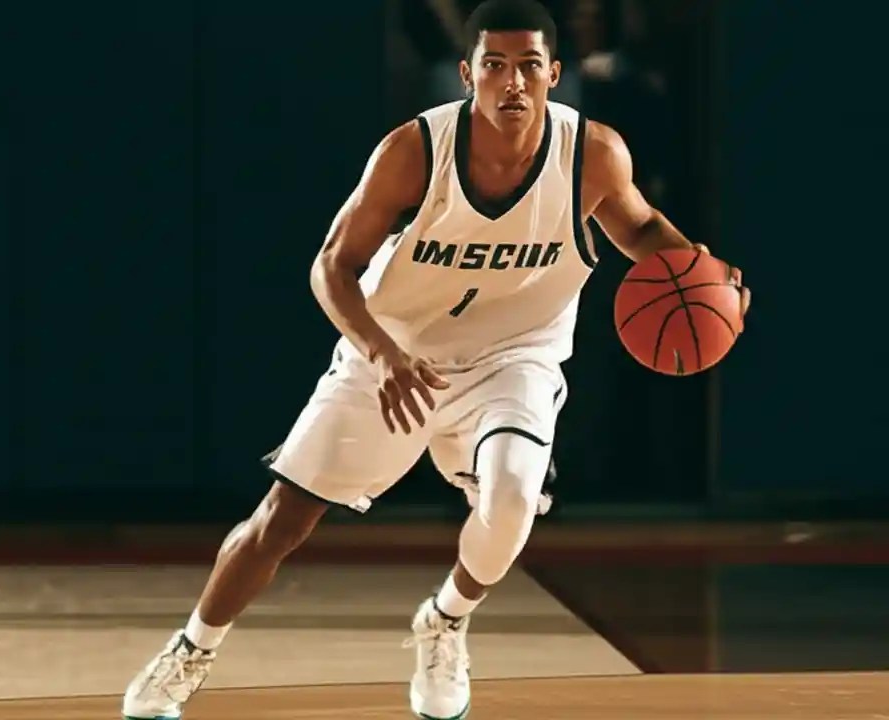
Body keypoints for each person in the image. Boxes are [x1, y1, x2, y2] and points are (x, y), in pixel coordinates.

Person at [121, 0, 749, 717]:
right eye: (494, 66)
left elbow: (642, 229)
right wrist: (381, 353)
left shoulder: (593, 154)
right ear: (467, 74)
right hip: (395, 351)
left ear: (554, 73)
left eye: (528, 67)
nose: (512, 83)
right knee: (281, 520)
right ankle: (190, 651)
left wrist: (712, 283)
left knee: (513, 497)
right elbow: (332, 267)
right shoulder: (414, 151)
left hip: (515, 357)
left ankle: (445, 620)